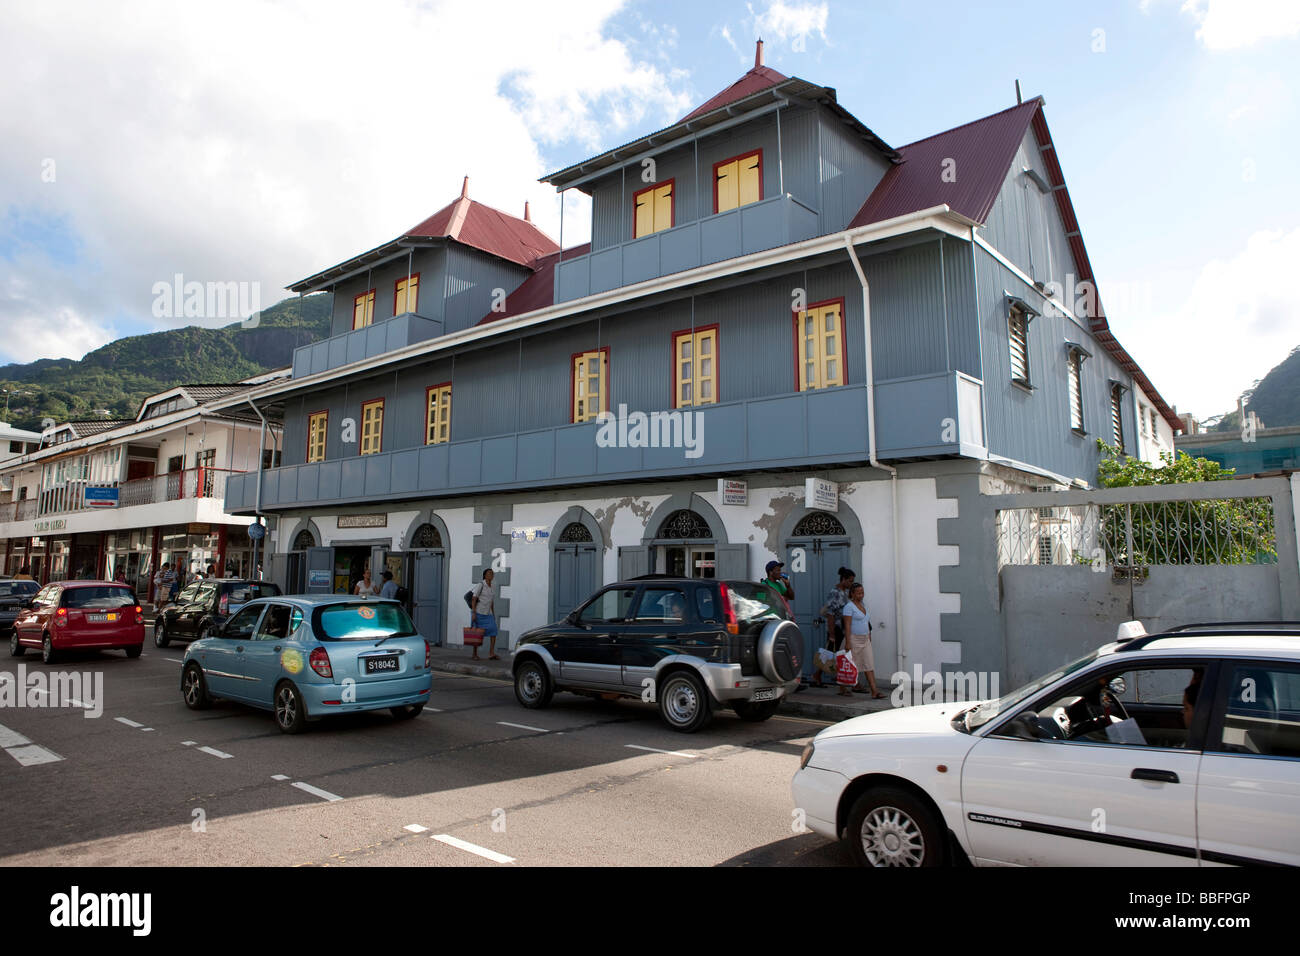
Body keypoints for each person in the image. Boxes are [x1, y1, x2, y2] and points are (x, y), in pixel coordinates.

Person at [811, 567, 854, 688]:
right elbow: (830, 614)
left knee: (832, 653)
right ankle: (818, 675)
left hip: (842, 628)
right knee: (830, 653)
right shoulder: (835, 592)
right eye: (850, 581)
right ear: (843, 579)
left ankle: (818, 675)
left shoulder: (845, 592)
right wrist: (831, 634)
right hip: (836, 628)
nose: (851, 584)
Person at [841, 582, 884, 698]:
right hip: (854, 639)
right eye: (858, 593)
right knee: (849, 664)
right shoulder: (848, 607)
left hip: (865, 639)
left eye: (862, 593)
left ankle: (874, 691)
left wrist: (869, 636)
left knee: (869, 664)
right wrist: (848, 642)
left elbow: (866, 622)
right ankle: (842, 687)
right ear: (852, 594)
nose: (861, 595)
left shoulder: (863, 605)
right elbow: (847, 625)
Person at [470, 568, 499, 661]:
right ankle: (474, 654)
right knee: (477, 634)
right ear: (485, 575)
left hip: (488, 613)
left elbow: (491, 601)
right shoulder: (481, 585)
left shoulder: (493, 586)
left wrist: (493, 613)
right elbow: (474, 599)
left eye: (492, 573)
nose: (491, 575)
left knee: (494, 630)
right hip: (478, 612)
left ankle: (491, 653)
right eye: (489, 573)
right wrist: (473, 613)